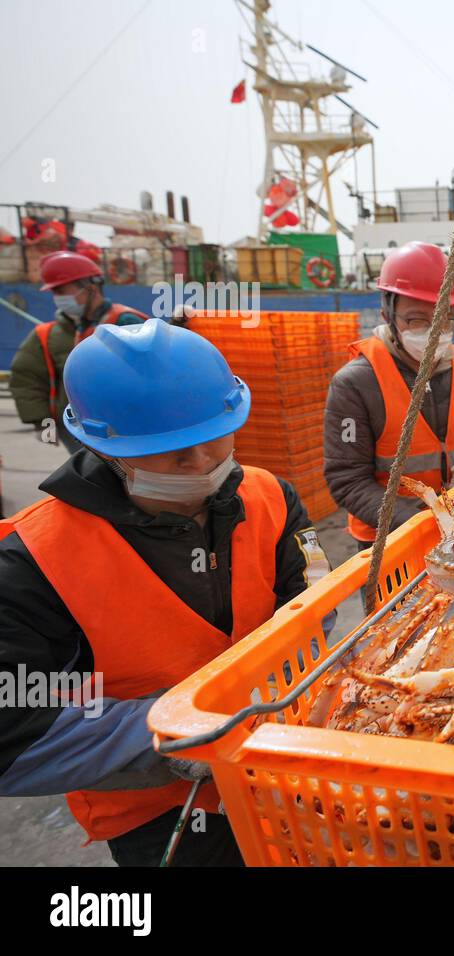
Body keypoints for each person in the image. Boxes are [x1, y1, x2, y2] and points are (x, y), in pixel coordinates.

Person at [0, 320, 328, 866]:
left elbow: (314, 590)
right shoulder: (33, 561)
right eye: (172, 451)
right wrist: (173, 732)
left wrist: (288, 686)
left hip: (279, 767)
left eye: (213, 437)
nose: (200, 463)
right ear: (104, 448)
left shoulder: (274, 497)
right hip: (160, 814)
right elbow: (11, 730)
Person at [325, 241, 454, 548]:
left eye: (443, 321)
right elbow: (348, 479)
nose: (431, 331)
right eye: (416, 320)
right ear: (387, 313)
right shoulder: (357, 383)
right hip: (391, 542)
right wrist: (425, 517)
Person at [9, 251, 150, 451]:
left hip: (125, 430)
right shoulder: (47, 334)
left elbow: (150, 376)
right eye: (54, 293)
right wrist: (42, 423)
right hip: (76, 431)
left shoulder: (125, 322)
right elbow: (27, 378)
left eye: (61, 291)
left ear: (91, 287)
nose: (58, 298)